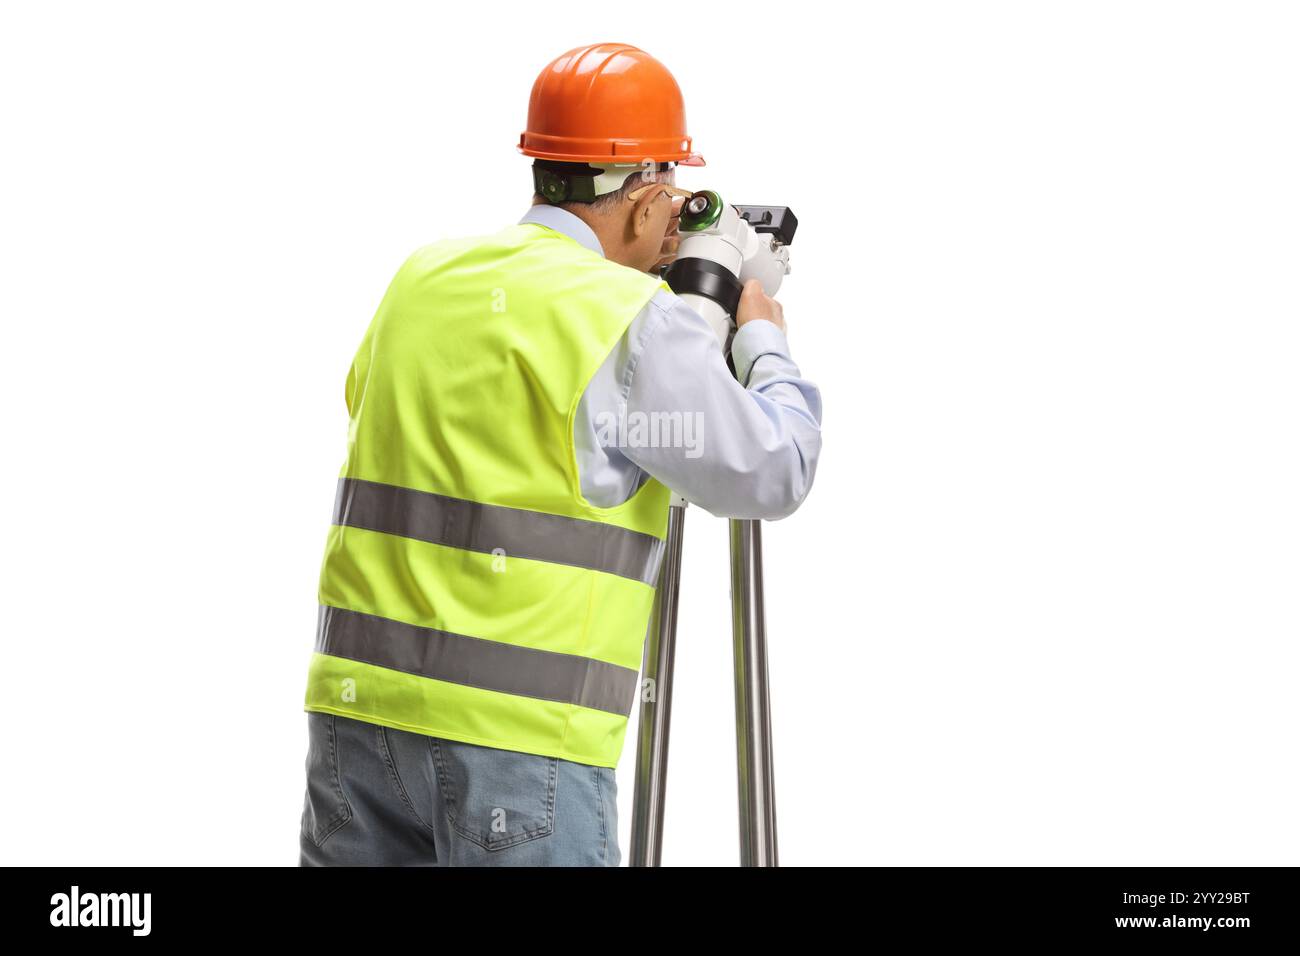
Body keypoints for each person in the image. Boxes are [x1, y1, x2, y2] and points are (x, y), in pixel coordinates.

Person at [299, 42, 822, 866]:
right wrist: (757, 336)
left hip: (356, 726)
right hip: (518, 744)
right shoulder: (632, 317)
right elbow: (775, 469)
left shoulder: (420, 279)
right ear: (647, 199)